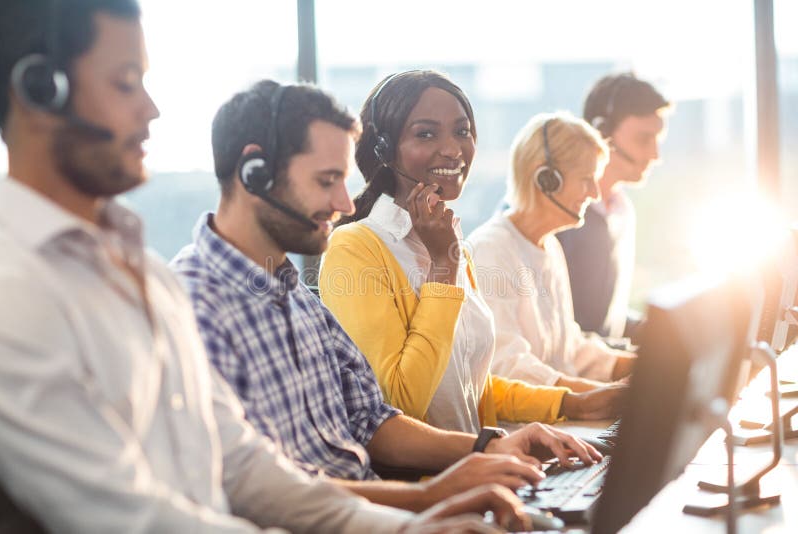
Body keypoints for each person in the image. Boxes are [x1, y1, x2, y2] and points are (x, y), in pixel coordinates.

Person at [0, 1, 533, 531]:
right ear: (42, 89)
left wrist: (410, 522)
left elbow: (243, 463)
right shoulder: (18, 286)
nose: (152, 109)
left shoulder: (145, 274)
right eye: (125, 82)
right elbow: (128, 515)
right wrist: (412, 512)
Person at [171, 78, 604, 515]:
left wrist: (489, 444)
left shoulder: (296, 298)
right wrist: (428, 498)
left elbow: (374, 418)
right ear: (254, 173)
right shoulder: (192, 307)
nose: (344, 202)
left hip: (388, 508)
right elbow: (259, 490)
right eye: (327, 180)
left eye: (461, 131)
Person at [320, 70, 625, 432]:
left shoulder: (450, 244)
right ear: (383, 149)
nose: (452, 149)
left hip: (482, 463)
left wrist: (575, 403)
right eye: (426, 133)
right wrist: (443, 270)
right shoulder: (356, 248)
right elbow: (399, 404)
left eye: (462, 131)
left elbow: (468, 385)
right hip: (435, 479)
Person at [468, 113, 636, 392]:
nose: (595, 193)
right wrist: (597, 395)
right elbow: (507, 367)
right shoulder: (491, 250)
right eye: (586, 180)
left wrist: (640, 367)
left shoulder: (549, 246)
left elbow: (569, 348)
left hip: (562, 416)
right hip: (521, 428)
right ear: (546, 178)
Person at [557, 73, 671, 341]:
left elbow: (602, 318)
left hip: (605, 368)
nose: (655, 155)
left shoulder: (621, 211)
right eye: (644, 139)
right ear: (601, 134)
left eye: (658, 139)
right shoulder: (556, 215)